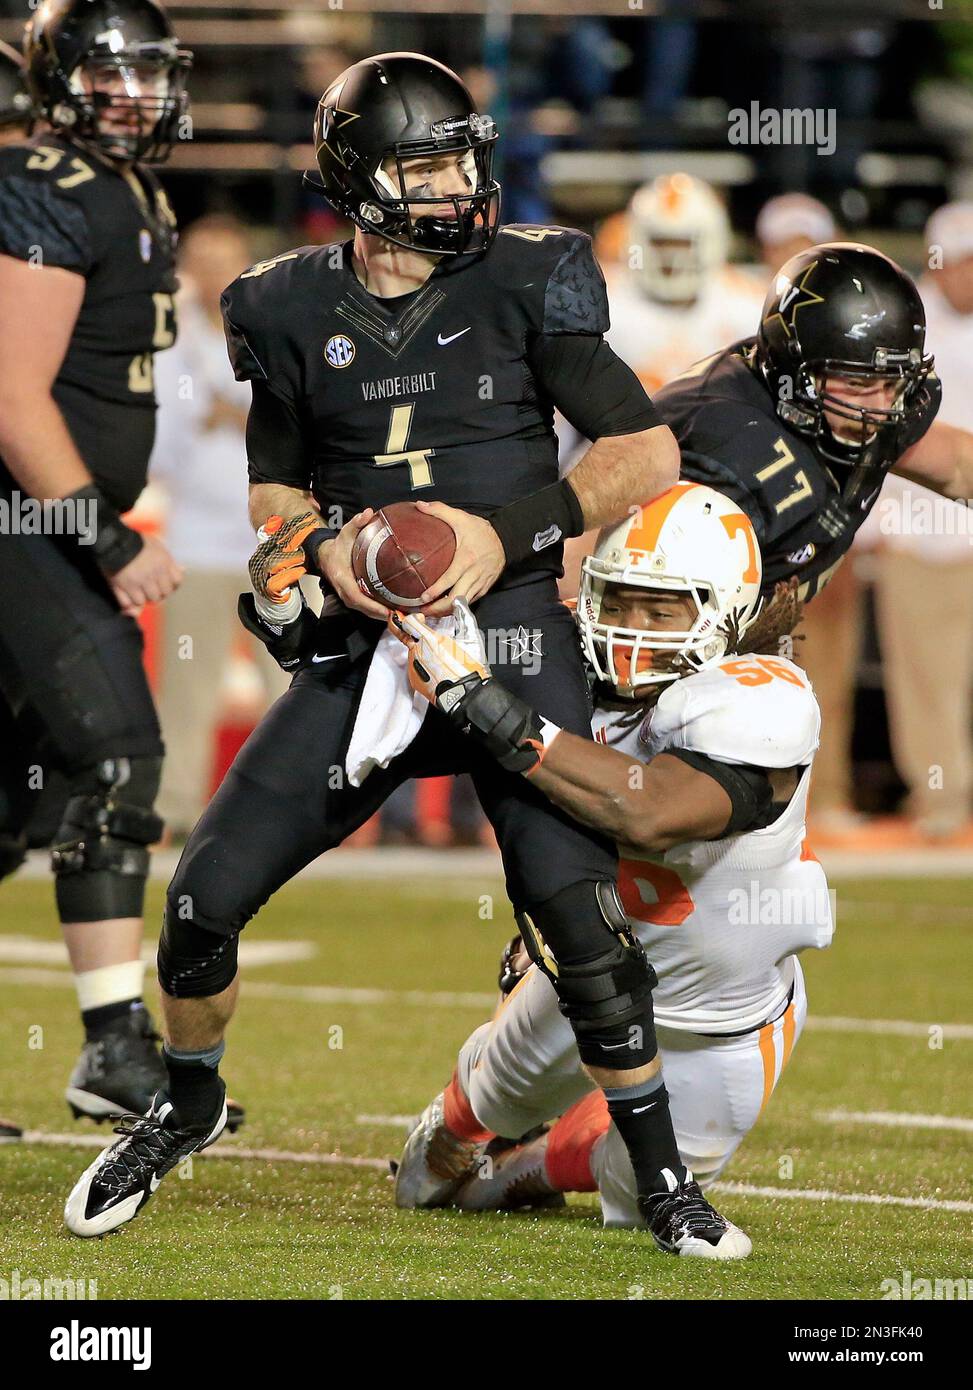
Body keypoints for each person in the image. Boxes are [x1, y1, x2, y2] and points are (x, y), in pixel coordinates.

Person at [64, 53, 739, 1259]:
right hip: (364, 645)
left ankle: (662, 1172)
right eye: (425, 168)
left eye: (459, 164)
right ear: (357, 179)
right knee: (202, 900)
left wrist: (500, 532)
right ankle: (188, 1099)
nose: (454, 188)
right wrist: (312, 549)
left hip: (512, 628)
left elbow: (643, 452)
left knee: (578, 916)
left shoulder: (524, 278)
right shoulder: (281, 305)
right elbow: (276, 485)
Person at [391, 483, 831, 1252]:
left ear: (725, 612)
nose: (629, 629)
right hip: (589, 981)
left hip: (722, 1022)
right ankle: (481, 1113)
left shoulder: (760, 697)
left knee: (620, 1192)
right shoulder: (557, 660)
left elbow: (648, 811)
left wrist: (487, 705)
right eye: (617, 601)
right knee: (423, 1180)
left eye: (659, 611)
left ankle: (539, 1158)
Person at [0, 0, 233, 1131]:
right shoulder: (44, 182)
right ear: (59, 81)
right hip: (24, 519)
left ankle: (110, 1044)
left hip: (44, 518)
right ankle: (111, 1044)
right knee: (118, 759)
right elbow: (10, 393)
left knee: (14, 801)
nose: (137, 95)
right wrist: (102, 533)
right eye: (112, 74)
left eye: (150, 72)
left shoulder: (126, 189)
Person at [151, 214, 290, 838]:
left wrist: (228, 418)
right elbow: (156, 450)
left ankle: (294, 813)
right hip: (200, 541)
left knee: (293, 686)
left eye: (224, 260)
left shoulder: (277, 333)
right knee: (189, 687)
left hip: (279, 540)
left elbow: (296, 426)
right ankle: (174, 810)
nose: (213, 274)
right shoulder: (168, 345)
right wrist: (211, 420)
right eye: (201, 260)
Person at [869, 204, 973, 839]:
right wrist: (877, 524)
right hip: (921, 533)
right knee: (924, 682)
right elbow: (875, 428)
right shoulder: (905, 332)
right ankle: (941, 801)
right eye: (960, 261)